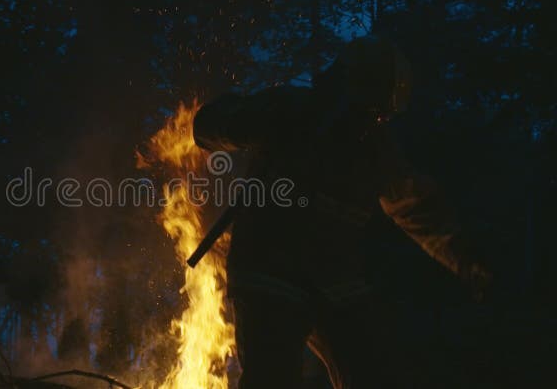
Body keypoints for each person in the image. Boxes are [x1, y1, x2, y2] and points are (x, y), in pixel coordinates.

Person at [192, 35, 492, 388]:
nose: (376, 119)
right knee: (272, 378)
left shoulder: (374, 147)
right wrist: (230, 119)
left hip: (331, 281)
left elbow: (418, 208)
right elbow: (211, 128)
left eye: (382, 113)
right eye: (377, 109)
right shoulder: (291, 110)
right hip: (269, 275)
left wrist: (467, 261)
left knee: (373, 371)